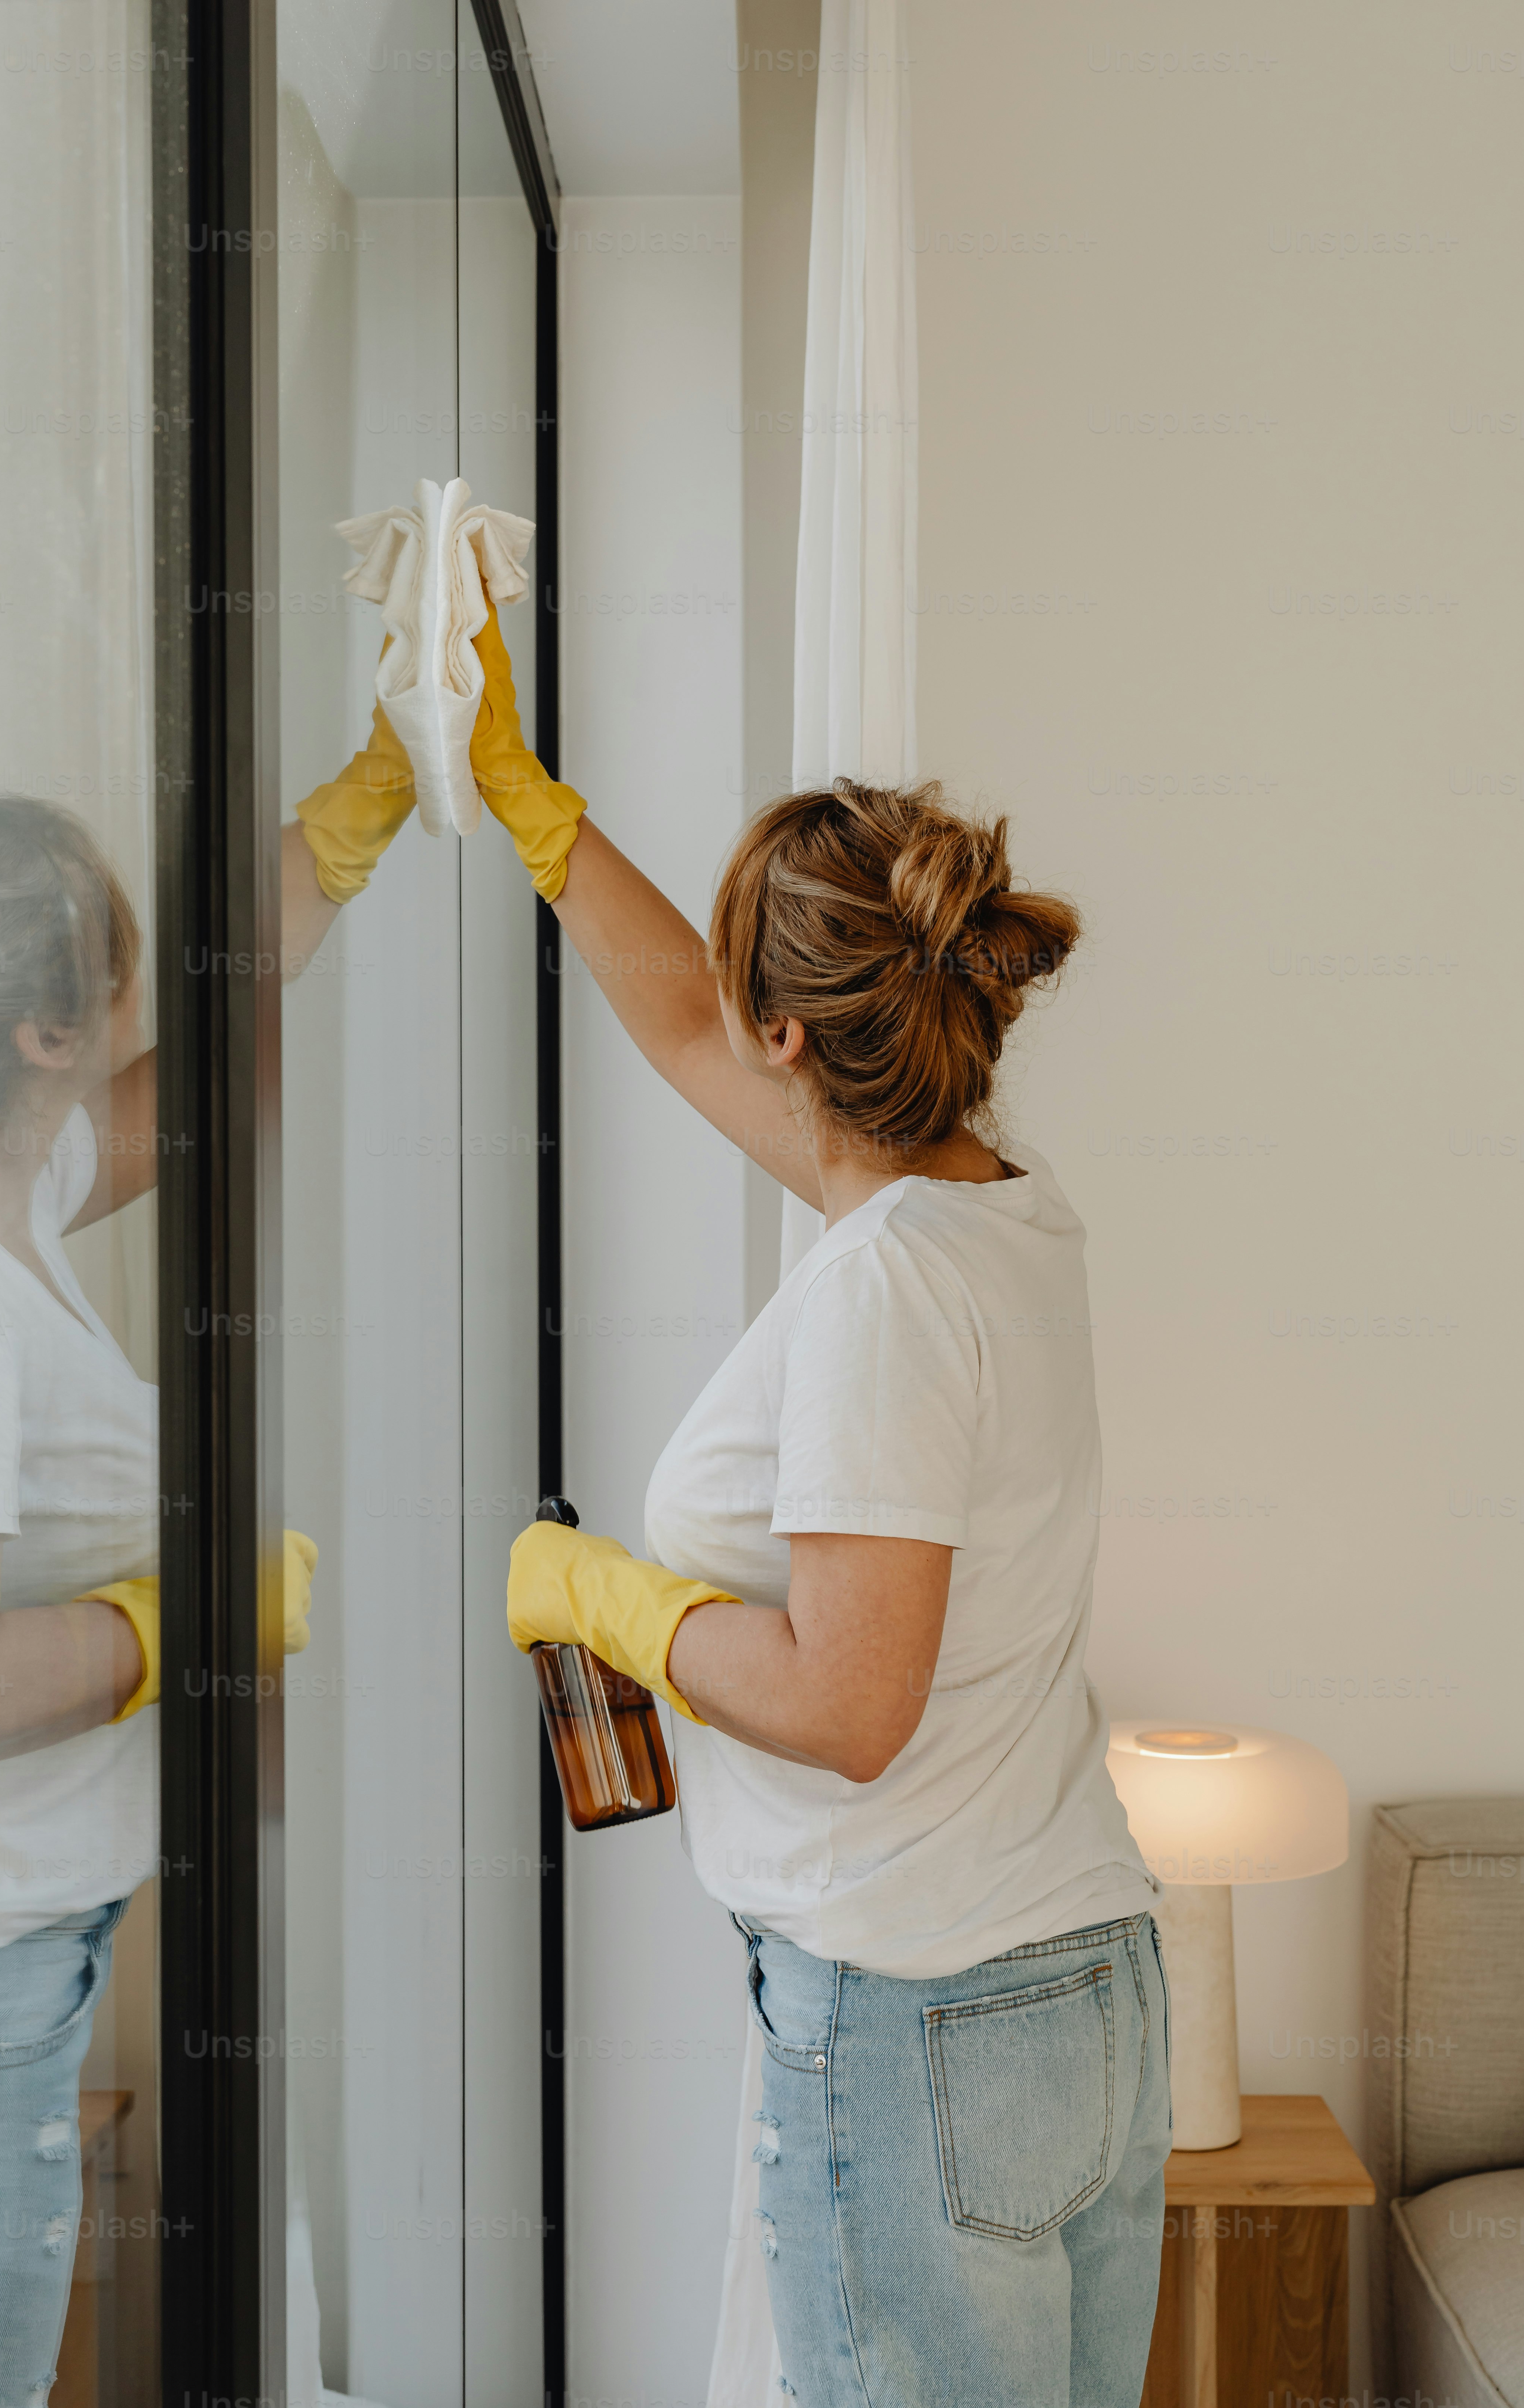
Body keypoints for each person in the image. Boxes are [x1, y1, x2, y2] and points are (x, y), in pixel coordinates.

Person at [476, 605, 1172, 2406]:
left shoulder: (885, 1283)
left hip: (922, 2011)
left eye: (750, 1001)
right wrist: (534, 810)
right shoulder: (994, 1206)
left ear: (799, 1036)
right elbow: (686, 1024)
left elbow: (853, 1703)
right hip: (1079, 1988)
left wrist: (612, 1600)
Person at [0, 704, 417, 2399]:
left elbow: (212, 1056)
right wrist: (174, 1617)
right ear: (49, 1027)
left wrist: (363, 808)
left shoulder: (2, 1186)